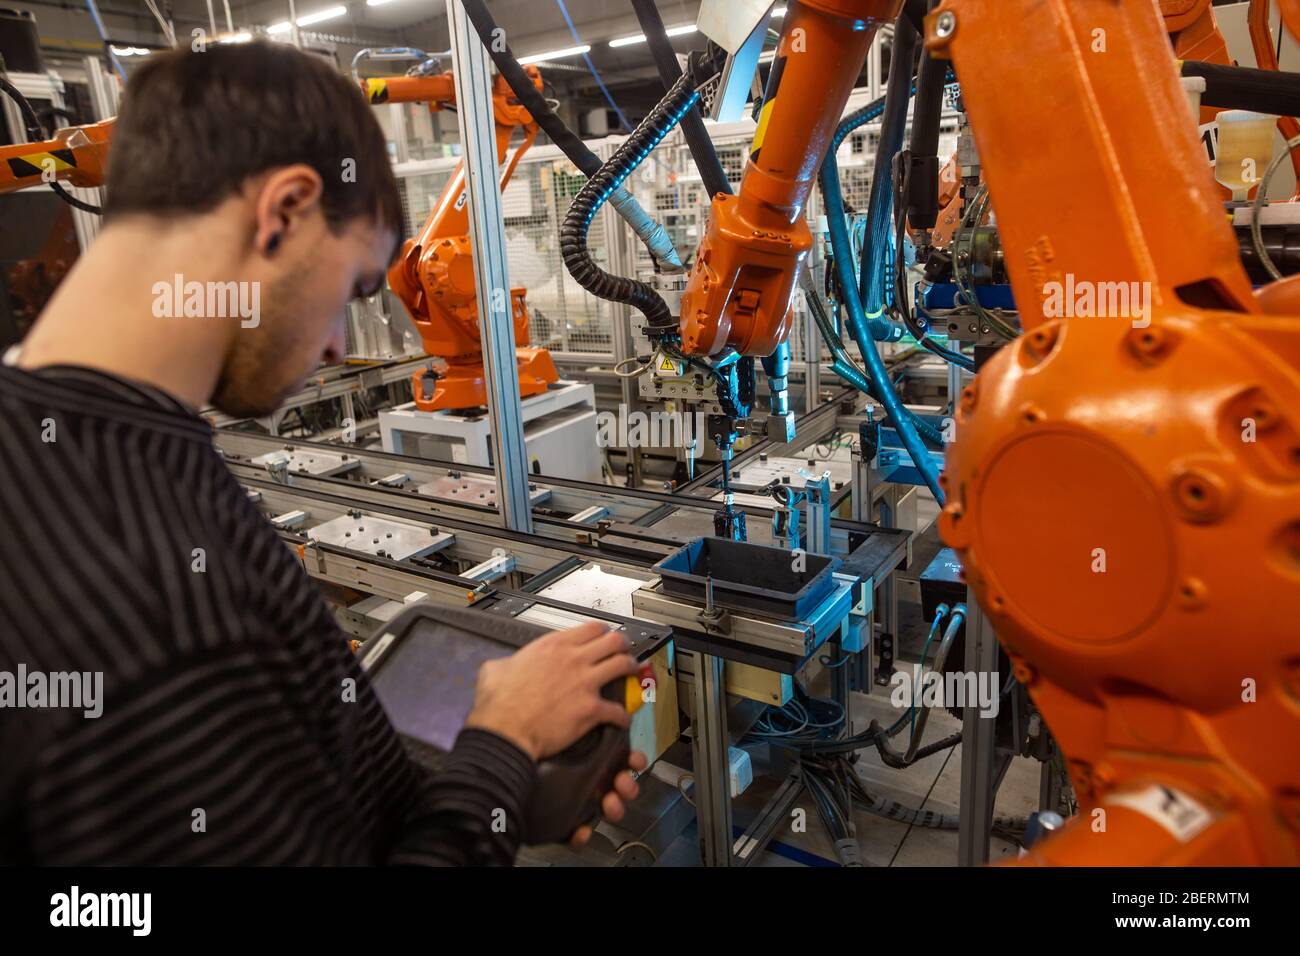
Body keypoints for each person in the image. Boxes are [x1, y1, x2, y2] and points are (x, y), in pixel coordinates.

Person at [0, 41, 643, 865]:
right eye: (355, 288)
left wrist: (501, 797)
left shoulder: (76, 451)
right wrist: (500, 747)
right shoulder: (163, 598)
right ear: (286, 212)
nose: (342, 346)